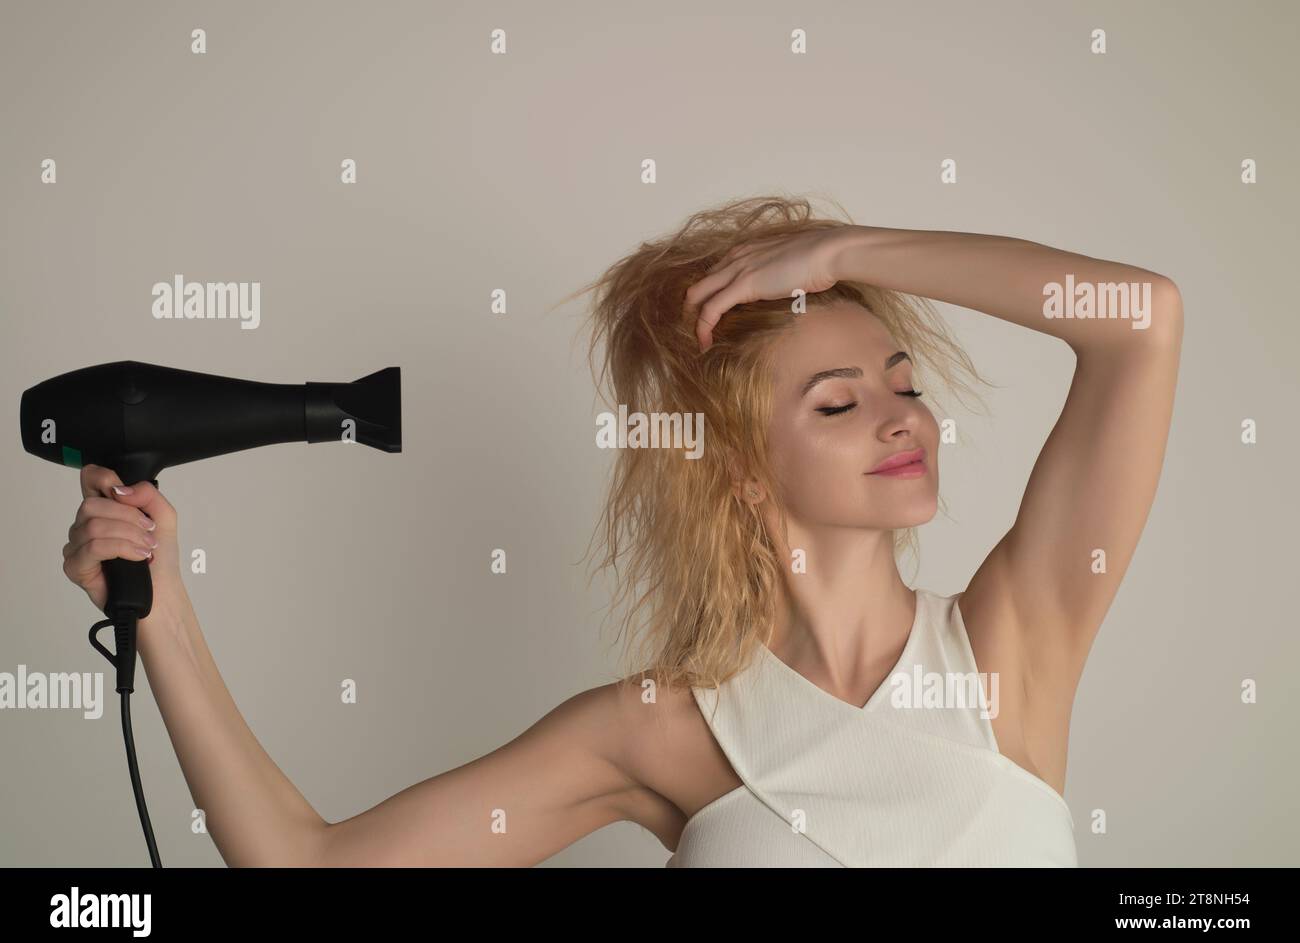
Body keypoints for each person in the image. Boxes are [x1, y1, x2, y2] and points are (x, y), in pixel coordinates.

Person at [60, 195, 1183, 866]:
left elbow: (1140, 321)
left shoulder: (1009, 649)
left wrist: (848, 249)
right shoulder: (659, 732)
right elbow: (305, 866)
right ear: (742, 475)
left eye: (901, 385)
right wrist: (160, 610)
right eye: (836, 405)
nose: (899, 418)